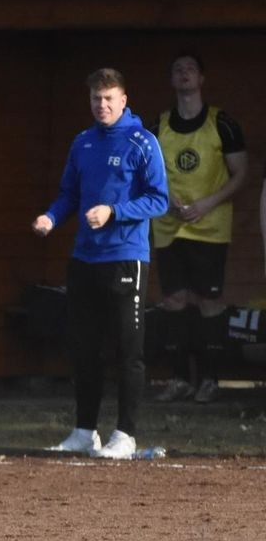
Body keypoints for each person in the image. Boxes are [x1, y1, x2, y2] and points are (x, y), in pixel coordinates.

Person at [31, 68, 168, 459]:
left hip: (126, 257)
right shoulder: (82, 143)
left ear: (124, 100)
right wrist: (51, 218)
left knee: (128, 349)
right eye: (96, 99)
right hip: (84, 259)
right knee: (83, 348)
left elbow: (159, 199)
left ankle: (125, 435)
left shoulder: (143, 142)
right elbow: (68, 194)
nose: (102, 105)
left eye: (109, 98)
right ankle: (84, 430)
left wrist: (115, 211)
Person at [150, 51, 248, 404]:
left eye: (191, 68)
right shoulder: (158, 125)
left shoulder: (223, 123)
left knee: (208, 300)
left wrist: (208, 203)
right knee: (174, 299)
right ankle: (179, 379)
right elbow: (146, 171)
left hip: (209, 227)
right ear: (171, 79)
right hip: (168, 225)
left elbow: (240, 173)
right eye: (177, 69)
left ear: (202, 79)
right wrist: (168, 199)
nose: (184, 73)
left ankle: (210, 379)